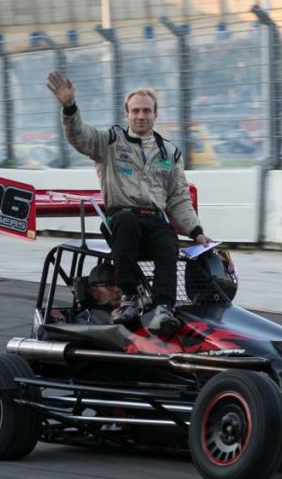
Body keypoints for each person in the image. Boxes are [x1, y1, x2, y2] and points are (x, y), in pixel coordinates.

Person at [46, 71, 211, 337]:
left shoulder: (171, 152)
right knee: (125, 220)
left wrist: (196, 232)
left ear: (156, 114)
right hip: (120, 220)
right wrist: (69, 107)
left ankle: (164, 308)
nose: (141, 116)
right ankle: (128, 300)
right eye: (135, 111)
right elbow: (79, 136)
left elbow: (179, 197)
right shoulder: (109, 141)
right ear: (127, 115)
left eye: (146, 111)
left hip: (154, 221)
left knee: (168, 239)